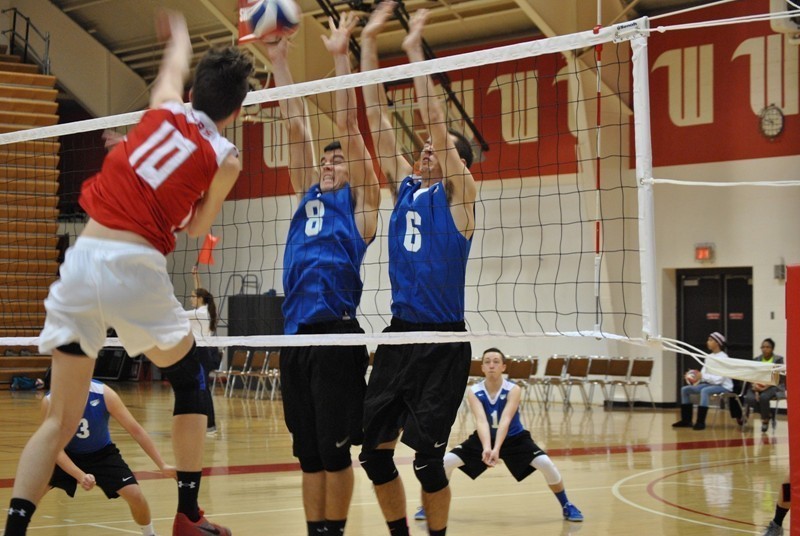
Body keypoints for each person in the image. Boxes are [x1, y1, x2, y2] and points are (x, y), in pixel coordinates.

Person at [4, 11, 253, 536]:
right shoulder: (225, 156)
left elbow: (172, 62)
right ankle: (188, 516)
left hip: (81, 264)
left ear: (195, 91)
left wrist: (180, 33)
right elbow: (195, 227)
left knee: (59, 420)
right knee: (189, 375)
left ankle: (14, 529)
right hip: (133, 267)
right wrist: (190, 206)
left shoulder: (163, 107)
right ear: (234, 111)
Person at [359, 5, 478, 535]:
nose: (425, 150)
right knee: (375, 458)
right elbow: (377, 116)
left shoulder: (461, 198)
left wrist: (413, 51)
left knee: (428, 463)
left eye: (436, 149)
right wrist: (368, 45)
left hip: (443, 342)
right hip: (399, 336)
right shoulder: (405, 188)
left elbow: (436, 124)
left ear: (456, 162)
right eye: (424, 149)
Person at [265, 13, 381, 536]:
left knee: (336, 457)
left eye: (337, 162)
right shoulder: (304, 195)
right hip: (294, 338)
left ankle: (335, 530)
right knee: (308, 456)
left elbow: (349, 132)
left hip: (336, 335)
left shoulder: (360, 210)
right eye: (326, 161)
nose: (329, 164)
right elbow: (296, 124)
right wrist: (279, 61)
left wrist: (341, 59)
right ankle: (316, 532)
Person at [415, 348, 583, 524]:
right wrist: (487, 448)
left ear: (503, 367)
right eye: (487, 362)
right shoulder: (474, 390)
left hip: (514, 438)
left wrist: (496, 449)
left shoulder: (513, 389)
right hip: (482, 438)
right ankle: (429, 506)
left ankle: (566, 505)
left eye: (496, 361)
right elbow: (481, 421)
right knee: (446, 462)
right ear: (482, 368)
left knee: (546, 464)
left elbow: (506, 420)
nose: (491, 365)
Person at [44, 380, 177, 536]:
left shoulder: (104, 393)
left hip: (102, 454)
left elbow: (136, 430)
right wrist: (80, 475)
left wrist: (162, 464)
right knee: (31, 494)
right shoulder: (51, 401)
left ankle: (149, 534)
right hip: (66, 455)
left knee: (135, 495)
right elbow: (55, 449)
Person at [672, 332, 733, 431]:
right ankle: (686, 420)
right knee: (685, 389)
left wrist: (702, 376)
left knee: (704, 391)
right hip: (709, 384)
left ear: (717, 343)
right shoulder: (708, 356)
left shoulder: (724, 358)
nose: (707, 342)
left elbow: (719, 379)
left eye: (710, 340)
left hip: (723, 386)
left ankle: (700, 422)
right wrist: (693, 376)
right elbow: (703, 374)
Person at [187, 266, 221, 435]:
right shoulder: (205, 309)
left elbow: (176, 314)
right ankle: (203, 424)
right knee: (198, 388)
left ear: (200, 299)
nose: (190, 299)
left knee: (202, 389)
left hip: (201, 353)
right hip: (201, 352)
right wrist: (196, 276)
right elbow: (201, 292)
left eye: (193, 297)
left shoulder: (198, 314)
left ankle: (209, 425)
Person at [744, 338, 785, 433]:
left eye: (767, 347)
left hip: (772, 385)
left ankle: (765, 421)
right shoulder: (756, 359)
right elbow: (752, 375)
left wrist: (764, 388)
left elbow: (780, 378)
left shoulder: (778, 359)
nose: (765, 349)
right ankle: (768, 414)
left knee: (764, 397)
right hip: (757, 385)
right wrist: (755, 386)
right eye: (763, 347)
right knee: (749, 398)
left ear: (772, 349)